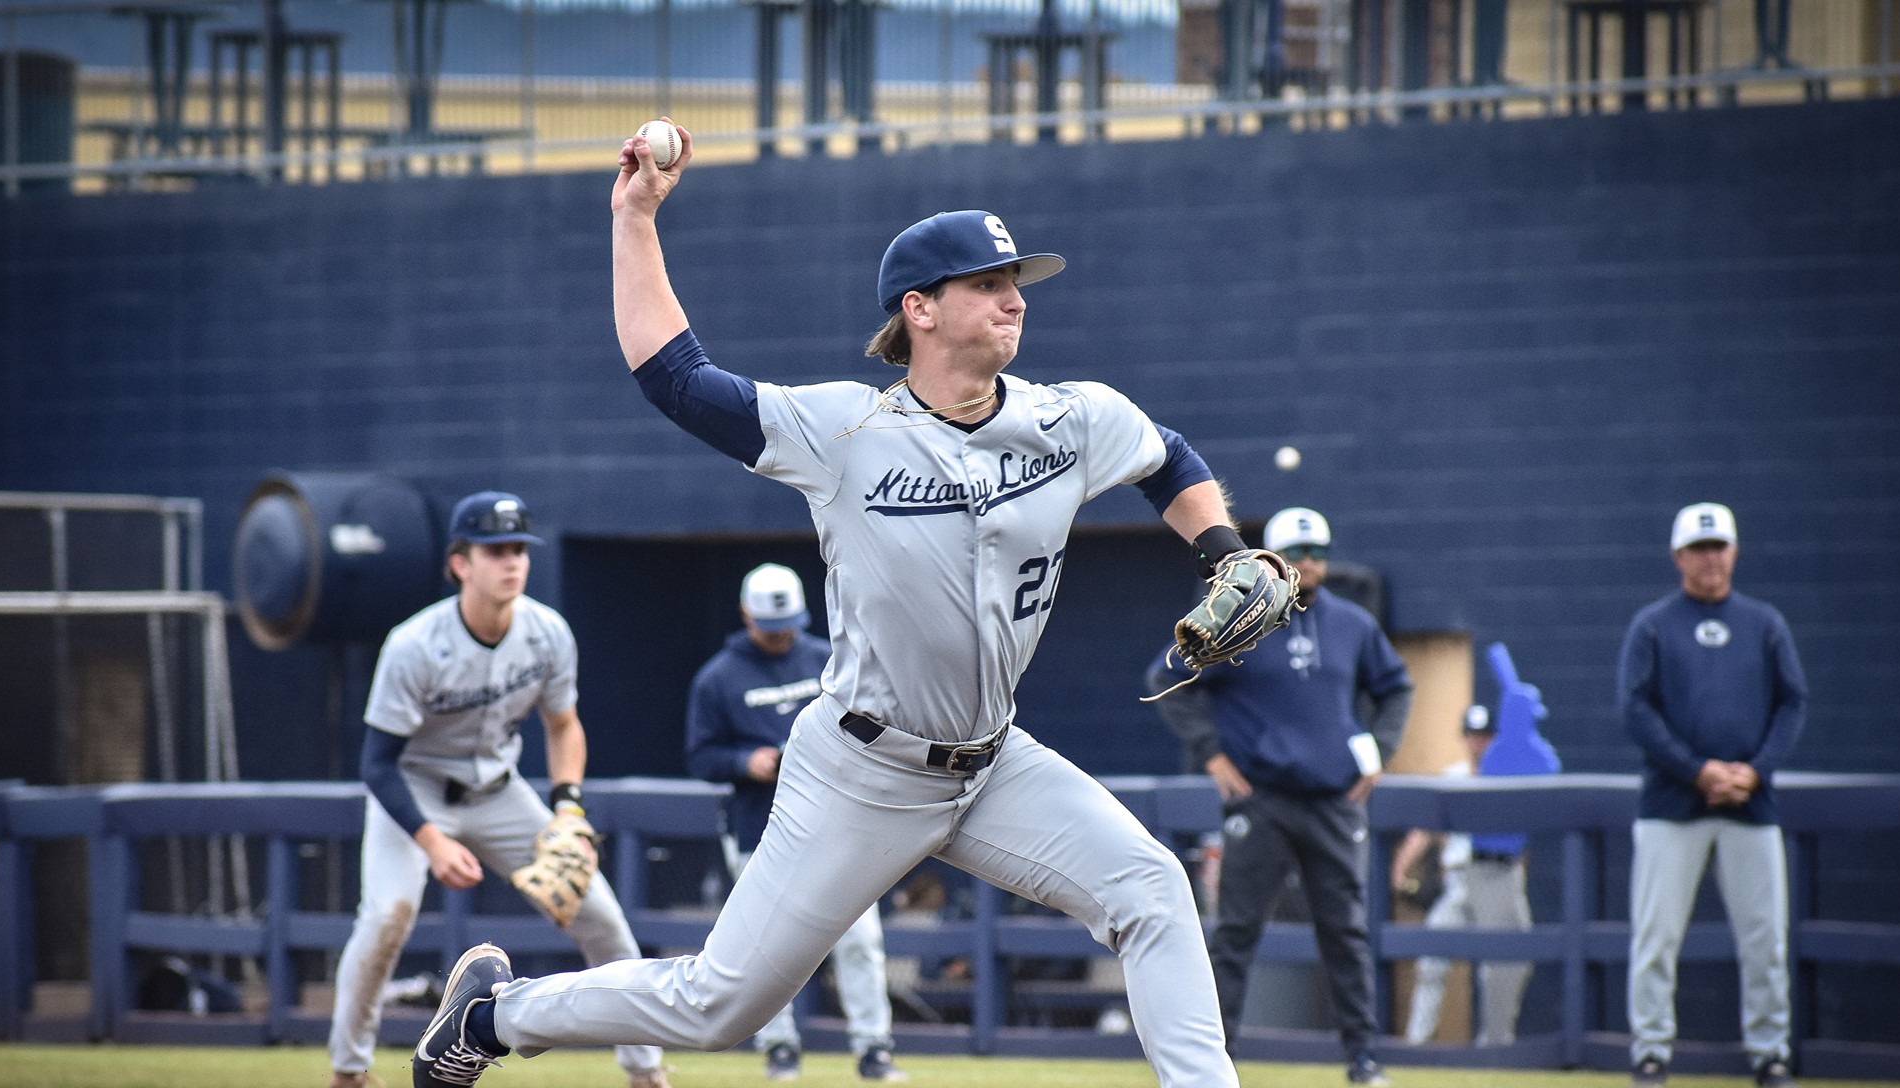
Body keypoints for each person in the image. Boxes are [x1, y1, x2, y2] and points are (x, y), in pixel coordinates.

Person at [410, 120, 1292, 1088]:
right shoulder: (844, 429)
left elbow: (1168, 456)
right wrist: (635, 219)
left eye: (1017, 284)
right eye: (988, 284)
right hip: (860, 770)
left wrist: (1225, 550)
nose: (1013, 300)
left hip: (996, 761)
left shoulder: (1067, 419)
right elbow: (675, 378)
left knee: (1152, 886)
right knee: (719, 1004)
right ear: (920, 308)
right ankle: (496, 1016)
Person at [328, 492, 668, 1088]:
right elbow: (377, 764)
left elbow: (563, 725)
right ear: (461, 563)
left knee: (604, 921)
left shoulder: (547, 632)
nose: (512, 561)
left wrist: (568, 808)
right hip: (415, 789)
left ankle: (646, 1074)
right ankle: (349, 1071)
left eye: (518, 549)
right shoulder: (414, 645)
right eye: (494, 550)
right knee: (387, 915)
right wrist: (432, 842)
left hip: (499, 791)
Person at [1146, 507, 1412, 1086]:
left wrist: (1378, 755)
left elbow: (1394, 689)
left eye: (1317, 552)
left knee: (1345, 930)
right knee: (1236, 933)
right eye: (1296, 553)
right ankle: (1214, 1059)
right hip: (1261, 799)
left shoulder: (1354, 625)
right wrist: (1211, 754)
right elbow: (1167, 677)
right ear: (1273, 558)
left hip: (1331, 801)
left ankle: (1363, 1058)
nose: (1308, 563)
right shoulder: (1238, 619)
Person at [685, 563, 907, 1082]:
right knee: (767, 944)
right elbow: (700, 757)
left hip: (839, 822)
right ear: (746, 616)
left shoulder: (825, 656)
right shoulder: (718, 677)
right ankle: (779, 1046)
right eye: (769, 625)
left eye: (787, 624)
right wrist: (747, 763)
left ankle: (874, 1048)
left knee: (859, 938)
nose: (781, 635)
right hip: (759, 823)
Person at [1619, 503, 1804, 1088]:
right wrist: (1697, 770)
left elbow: (1792, 701)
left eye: (1719, 545)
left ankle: (1770, 1053)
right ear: (1678, 557)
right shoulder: (1652, 625)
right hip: (1673, 805)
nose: (1710, 557)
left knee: (1766, 938)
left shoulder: (1765, 623)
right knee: (1656, 936)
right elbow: (1635, 708)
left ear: (1735, 552)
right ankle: (1651, 1052)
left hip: (1751, 805)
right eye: (1699, 548)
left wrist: (1756, 770)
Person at [1391, 705, 1533, 1047]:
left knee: (1503, 964)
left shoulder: (1507, 775)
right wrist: (1400, 866)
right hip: (1458, 881)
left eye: (1485, 737)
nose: (1478, 744)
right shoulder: (1453, 777)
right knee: (1432, 955)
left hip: (1497, 876)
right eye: (1473, 736)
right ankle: (1417, 1043)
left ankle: (1497, 1044)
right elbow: (1423, 829)